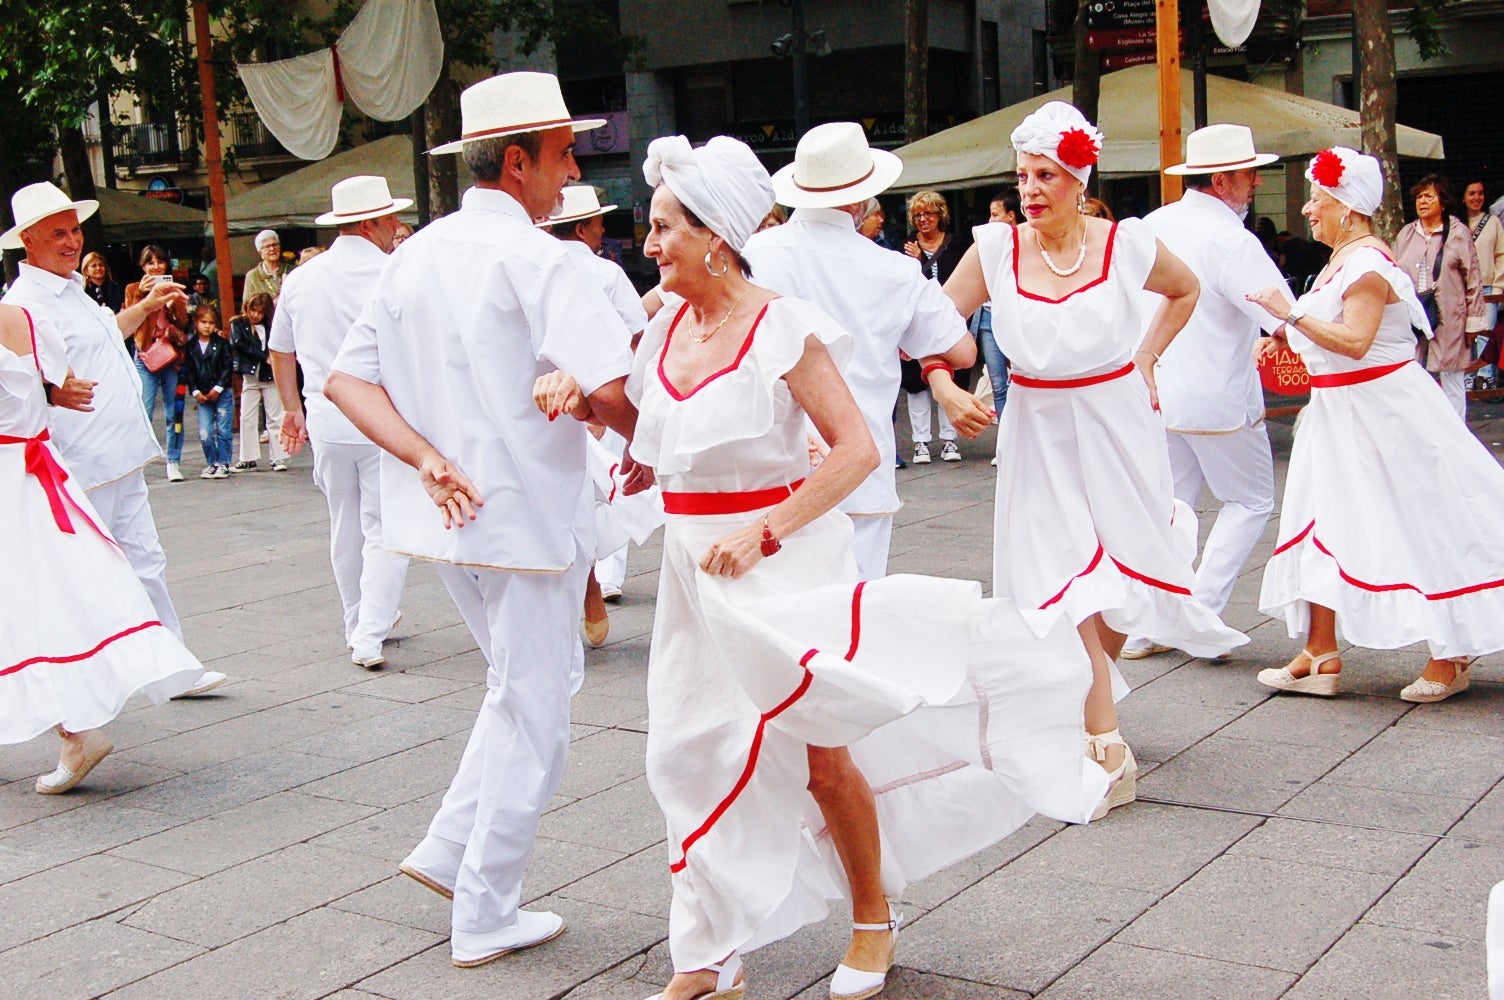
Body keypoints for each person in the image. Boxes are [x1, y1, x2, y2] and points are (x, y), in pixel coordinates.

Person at [538, 132, 1106, 1000]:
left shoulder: (783, 326)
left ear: (717, 237)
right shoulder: (660, 332)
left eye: (663, 229)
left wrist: (765, 531)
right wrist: (582, 399)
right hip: (698, 573)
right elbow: (653, 446)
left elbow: (855, 451)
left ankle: (872, 921)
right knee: (687, 753)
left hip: (782, 563)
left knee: (820, 754)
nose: (648, 247)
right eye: (651, 231)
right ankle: (706, 955)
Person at [324, 72, 641, 968]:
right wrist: (658, 439)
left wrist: (425, 459)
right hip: (527, 523)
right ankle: (484, 905)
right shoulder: (545, 259)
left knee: (521, 689)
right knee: (537, 705)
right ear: (516, 161)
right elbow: (613, 391)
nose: (572, 167)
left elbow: (348, 382)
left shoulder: (415, 253)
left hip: (449, 517)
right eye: (564, 151)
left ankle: (450, 852)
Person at [943, 102, 1246, 820]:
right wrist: (941, 383)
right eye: (1023, 176)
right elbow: (931, 323)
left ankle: (1085, 693)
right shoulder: (993, 249)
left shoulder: (1127, 243)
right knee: (1062, 572)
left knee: (1120, 566)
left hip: (1117, 423)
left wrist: (1146, 356)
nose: (1032, 188)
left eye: (1046, 174)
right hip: (1038, 430)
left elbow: (1187, 290)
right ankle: (1105, 740)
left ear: (1080, 179)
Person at [1250, 146, 1504, 703]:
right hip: (1340, 415)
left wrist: (1286, 312)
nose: (1310, 209)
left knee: (1421, 520)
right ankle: (1321, 651)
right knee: (1320, 521)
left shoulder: (1367, 263)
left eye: (1318, 198)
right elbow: (1330, 331)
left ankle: (1452, 651)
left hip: (1387, 415)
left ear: (1348, 206)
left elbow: (1357, 339)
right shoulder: (1344, 259)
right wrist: (1280, 336)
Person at [0, 182, 226, 697]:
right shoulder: (25, 304)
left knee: (146, 561)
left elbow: (106, 338)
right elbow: (15, 379)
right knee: (84, 580)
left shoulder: (72, 290)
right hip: (79, 463)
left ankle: (171, 670)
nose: (71, 240)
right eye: (58, 233)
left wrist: (144, 309)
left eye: (74, 230)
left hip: (118, 454)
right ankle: (78, 685)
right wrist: (51, 390)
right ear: (28, 240)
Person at [744, 121, 980, 579]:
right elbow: (962, 348)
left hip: (769, 469)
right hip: (858, 469)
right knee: (854, 620)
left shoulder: (751, 253)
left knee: (778, 623)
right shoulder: (893, 270)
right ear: (858, 199)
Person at [0, 303, 205, 793]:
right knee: (44, 602)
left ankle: (76, 732)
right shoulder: (30, 319)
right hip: (34, 475)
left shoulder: (30, 318)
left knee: (33, 608)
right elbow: (62, 388)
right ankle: (74, 730)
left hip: (21, 477)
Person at [1120, 124, 1289, 659]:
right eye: (1249, 175)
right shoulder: (1231, 239)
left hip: (1154, 388)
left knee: (1169, 506)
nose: (1255, 185)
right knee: (1250, 499)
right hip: (1216, 395)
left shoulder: (1152, 225)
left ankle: (1148, 621)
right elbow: (1280, 312)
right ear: (1223, 179)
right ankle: (1198, 611)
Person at [270, 175, 412, 671]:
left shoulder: (301, 277)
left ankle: (360, 620)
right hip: (381, 415)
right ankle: (369, 630)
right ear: (371, 222)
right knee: (384, 524)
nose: (397, 225)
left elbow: (280, 350)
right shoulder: (394, 271)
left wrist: (292, 408)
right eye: (391, 217)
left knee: (345, 524)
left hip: (327, 413)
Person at [539, 184, 650, 644]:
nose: (604, 229)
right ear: (582, 228)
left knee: (565, 499)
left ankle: (588, 583)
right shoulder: (603, 272)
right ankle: (601, 577)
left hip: (543, 403)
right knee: (607, 491)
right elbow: (636, 335)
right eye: (599, 222)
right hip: (600, 394)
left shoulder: (535, 267)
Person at [1394, 174, 1486, 419]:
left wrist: (1474, 322)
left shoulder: (1458, 233)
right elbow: (1393, 275)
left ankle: (1456, 436)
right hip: (1413, 315)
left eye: (1429, 196)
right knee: (1410, 373)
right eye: (1419, 196)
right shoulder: (1406, 234)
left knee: (1452, 376)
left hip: (1449, 315)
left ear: (1442, 201)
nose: (1422, 201)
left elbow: (1473, 279)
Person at [901, 190, 971, 463]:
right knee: (917, 384)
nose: (923, 220)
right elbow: (906, 284)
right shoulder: (906, 246)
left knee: (950, 379)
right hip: (917, 323)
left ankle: (949, 440)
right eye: (917, 215)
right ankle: (920, 442)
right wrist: (917, 262)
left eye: (928, 213)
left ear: (940, 214)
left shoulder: (956, 244)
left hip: (950, 320)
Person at [124, 244, 189, 482]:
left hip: (171, 356)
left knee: (175, 411)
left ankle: (173, 461)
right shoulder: (133, 289)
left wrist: (172, 305)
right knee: (144, 410)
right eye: (150, 263)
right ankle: (139, 462)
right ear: (143, 266)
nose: (155, 267)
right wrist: (142, 296)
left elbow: (183, 322)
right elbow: (129, 321)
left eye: (159, 262)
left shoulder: (175, 290)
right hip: (145, 355)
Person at [974, 188, 1021, 413]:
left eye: (995, 214)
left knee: (1020, 381)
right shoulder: (986, 246)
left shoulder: (1026, 242)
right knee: (998, 383)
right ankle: (1005, 438)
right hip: (987, 317)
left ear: (1011, 216)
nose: (990, 220)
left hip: (1016, 317)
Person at [229, 292, 287, 472]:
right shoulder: (238, 323)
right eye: (253, 310)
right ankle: (248, 457)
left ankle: (278, 457)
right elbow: (239, 345)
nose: (255, 315)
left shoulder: (270, 325)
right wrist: (265, 357)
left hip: (269, 376)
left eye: (260, 312)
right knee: (247, 417)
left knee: (275, 416)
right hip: (250, 375)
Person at [183, 303, 235, 479]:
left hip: (221, 392)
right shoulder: (190, 346)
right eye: (203, 322)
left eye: (211, 322)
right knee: (204, 432)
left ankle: (224, 462)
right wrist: (195, 391)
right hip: (202, 393)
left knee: (223, 429)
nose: (207, 326)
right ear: (196, 322)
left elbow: (227, 368)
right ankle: (211, 462)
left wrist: (218, 387)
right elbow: (189, 371)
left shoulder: (221, 344)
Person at [1464, 180, 1504, 332]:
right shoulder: (1455, 224)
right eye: (1472, 193)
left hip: (1487, 290)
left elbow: (1501, 255)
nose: (1476, 198)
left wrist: (1497, 288)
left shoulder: (1493, 221)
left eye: (1480, 193)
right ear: (1463, 197)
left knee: (1484, 339)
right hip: (1462, 291)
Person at [242, 229, 287, 308]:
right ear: (260, 252)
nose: (272, 249)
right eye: (267, 246)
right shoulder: (253, 276)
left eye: (275, 244)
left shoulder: (291, 270)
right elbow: (247, 306)